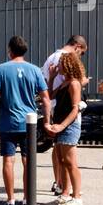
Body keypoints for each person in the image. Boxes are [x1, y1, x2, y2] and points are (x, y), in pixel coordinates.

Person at [0, 35, 49, 205]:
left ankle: (10, 200)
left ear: (10, 50)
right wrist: (47, 121)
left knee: (8, 160)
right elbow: (45, 99)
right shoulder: (35, 70)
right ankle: (27, 199)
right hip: (29, 124)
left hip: (8, 122)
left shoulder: (1, 70)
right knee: (27, 161)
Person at [43, 34, 88, 194]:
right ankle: (65, 190)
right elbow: (51, 94)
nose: (58, 66)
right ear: (77, 47)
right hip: (62, 120)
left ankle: (73, 193)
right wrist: (52, 78)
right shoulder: (65, 82)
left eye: (61, 65)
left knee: (69, 161)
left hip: (67, 122)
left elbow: (75, 107)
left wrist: (61, 125)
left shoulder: (72, 83)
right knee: (63, 160)